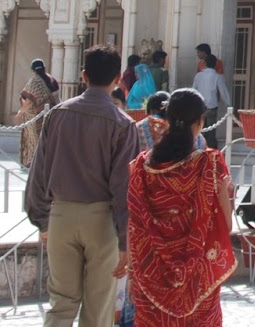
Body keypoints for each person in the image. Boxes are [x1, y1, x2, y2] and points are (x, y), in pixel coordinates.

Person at [23, 44, 140, 327]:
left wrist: (42, 220)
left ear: (83, 76)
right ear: (117, 80)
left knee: (61, 304)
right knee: (98, 309)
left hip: (61, 216)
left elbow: (39, 173)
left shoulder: (58, 114)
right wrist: (126, 242)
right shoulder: (123, 124)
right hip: (102, 221)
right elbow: (124, 187)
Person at [127, 88, 236, 327]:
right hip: (198, 279)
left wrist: (132, 268)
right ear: (200, 122)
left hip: (151, 272)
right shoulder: (210, 164)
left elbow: (134, 225)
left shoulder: (141, 168)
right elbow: (225, 225)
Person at [17, 60, 60, 168]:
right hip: (53, 112)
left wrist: (20, 112)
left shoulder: (35, 81)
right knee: (48, 137)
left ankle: (34, 161)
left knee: (35, 138)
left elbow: (29, 100)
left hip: (37, 115)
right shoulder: (52, 79)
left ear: (33, 70)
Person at [191, 54, 231, 149]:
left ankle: (199, 150)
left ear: (205, 63)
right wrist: (229, 105)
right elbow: (223, 93)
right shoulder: (217, 77)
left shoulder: (198, 76)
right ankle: (211, 152)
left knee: (200, 131)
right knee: (211, 133)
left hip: (200, 108)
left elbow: (193, 90)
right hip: (212, 107)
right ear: (216, 64)